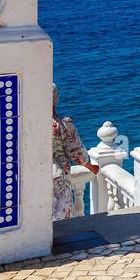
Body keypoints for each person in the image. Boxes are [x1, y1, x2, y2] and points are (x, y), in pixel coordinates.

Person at [52, 85, 97, 219]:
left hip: (33, 175)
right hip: (58, 176)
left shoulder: (27, 123)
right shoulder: (63, 124)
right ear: (56, 99)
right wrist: (91, 167)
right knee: (60, 217)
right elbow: (76, 153)